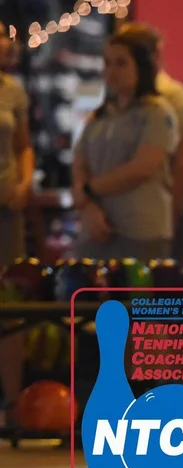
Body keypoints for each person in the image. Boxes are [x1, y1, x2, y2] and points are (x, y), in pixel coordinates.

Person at [72, 32, 178, 261]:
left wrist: (89, 190)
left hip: (140, 231)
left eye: (121, 63)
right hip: (95, 228)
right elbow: (80, 162)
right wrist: (88, 206)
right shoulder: (99, 116)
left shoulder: (157, 112)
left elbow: (142, 168)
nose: (111, 71)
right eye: (107, 63)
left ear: (141, 67)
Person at [115, 23, 183, 263]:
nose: (113, 71)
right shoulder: (117, 105)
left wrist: (168, 224)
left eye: (122, 61)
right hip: (136, 219)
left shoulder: (175, 99)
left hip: (179, 214)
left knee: (169, 296)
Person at [0, 19, 35, 429]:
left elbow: (24, 146)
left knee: (9, 305)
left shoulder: (13, 90)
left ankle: (12, 403)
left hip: (8, 209)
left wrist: (25, 184)